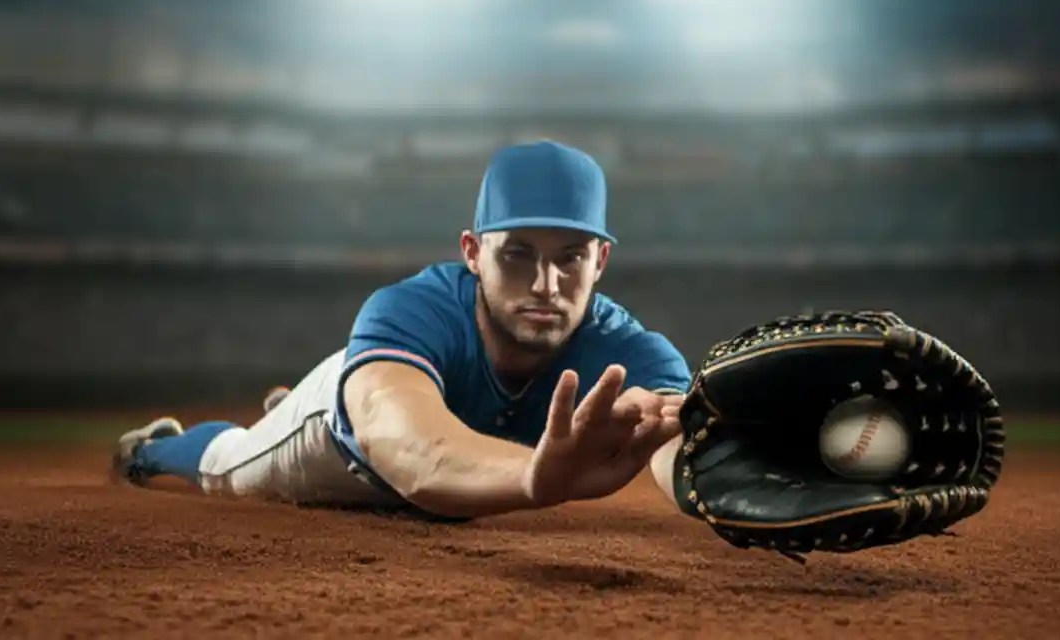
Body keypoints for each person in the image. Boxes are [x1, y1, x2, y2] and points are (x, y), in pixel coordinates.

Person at [111, 140, 692, 518]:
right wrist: (532, 478)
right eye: (518, 254)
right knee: (227, 470)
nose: (546, 283)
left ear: (601, 262)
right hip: (348, 449)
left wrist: (727, 476)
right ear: (472, 252)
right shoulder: (413, 309)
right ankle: (156, 449)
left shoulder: (632, 352)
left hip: (446, 439)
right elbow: (415, 454)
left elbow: (683, 453)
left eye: (570, 257)